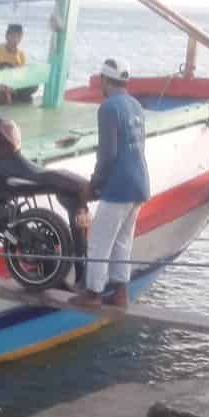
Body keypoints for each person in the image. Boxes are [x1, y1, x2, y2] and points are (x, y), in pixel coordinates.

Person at [75, 58, 150, 308]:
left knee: (99, 241)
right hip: (140, 183)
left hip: (119, 186)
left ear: (105, 80)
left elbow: (108, 155)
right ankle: (120, 292)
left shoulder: (108, 108)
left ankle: (93, 294)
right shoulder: (136, 105)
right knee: (122, 241)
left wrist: (93, 185)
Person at [0, 23, 37, 104]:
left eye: (18, 37)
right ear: (7, 36)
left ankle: (14, 95)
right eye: (13, 36)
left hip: (13, 84)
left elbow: (21, 74)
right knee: (4, 66)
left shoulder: (21, 54)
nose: (16, 40)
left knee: (34, 85)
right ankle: (8, 96)